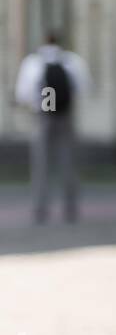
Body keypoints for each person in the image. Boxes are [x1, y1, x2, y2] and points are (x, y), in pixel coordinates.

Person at [14, 32, 90, 224]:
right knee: (68, 162)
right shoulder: (72, 61)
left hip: (43, 116)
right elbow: (84, 88)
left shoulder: (33, 63)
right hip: (65, 115)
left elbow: (23, 94)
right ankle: (70, 206)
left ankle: (41, 207)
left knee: (41, 163)